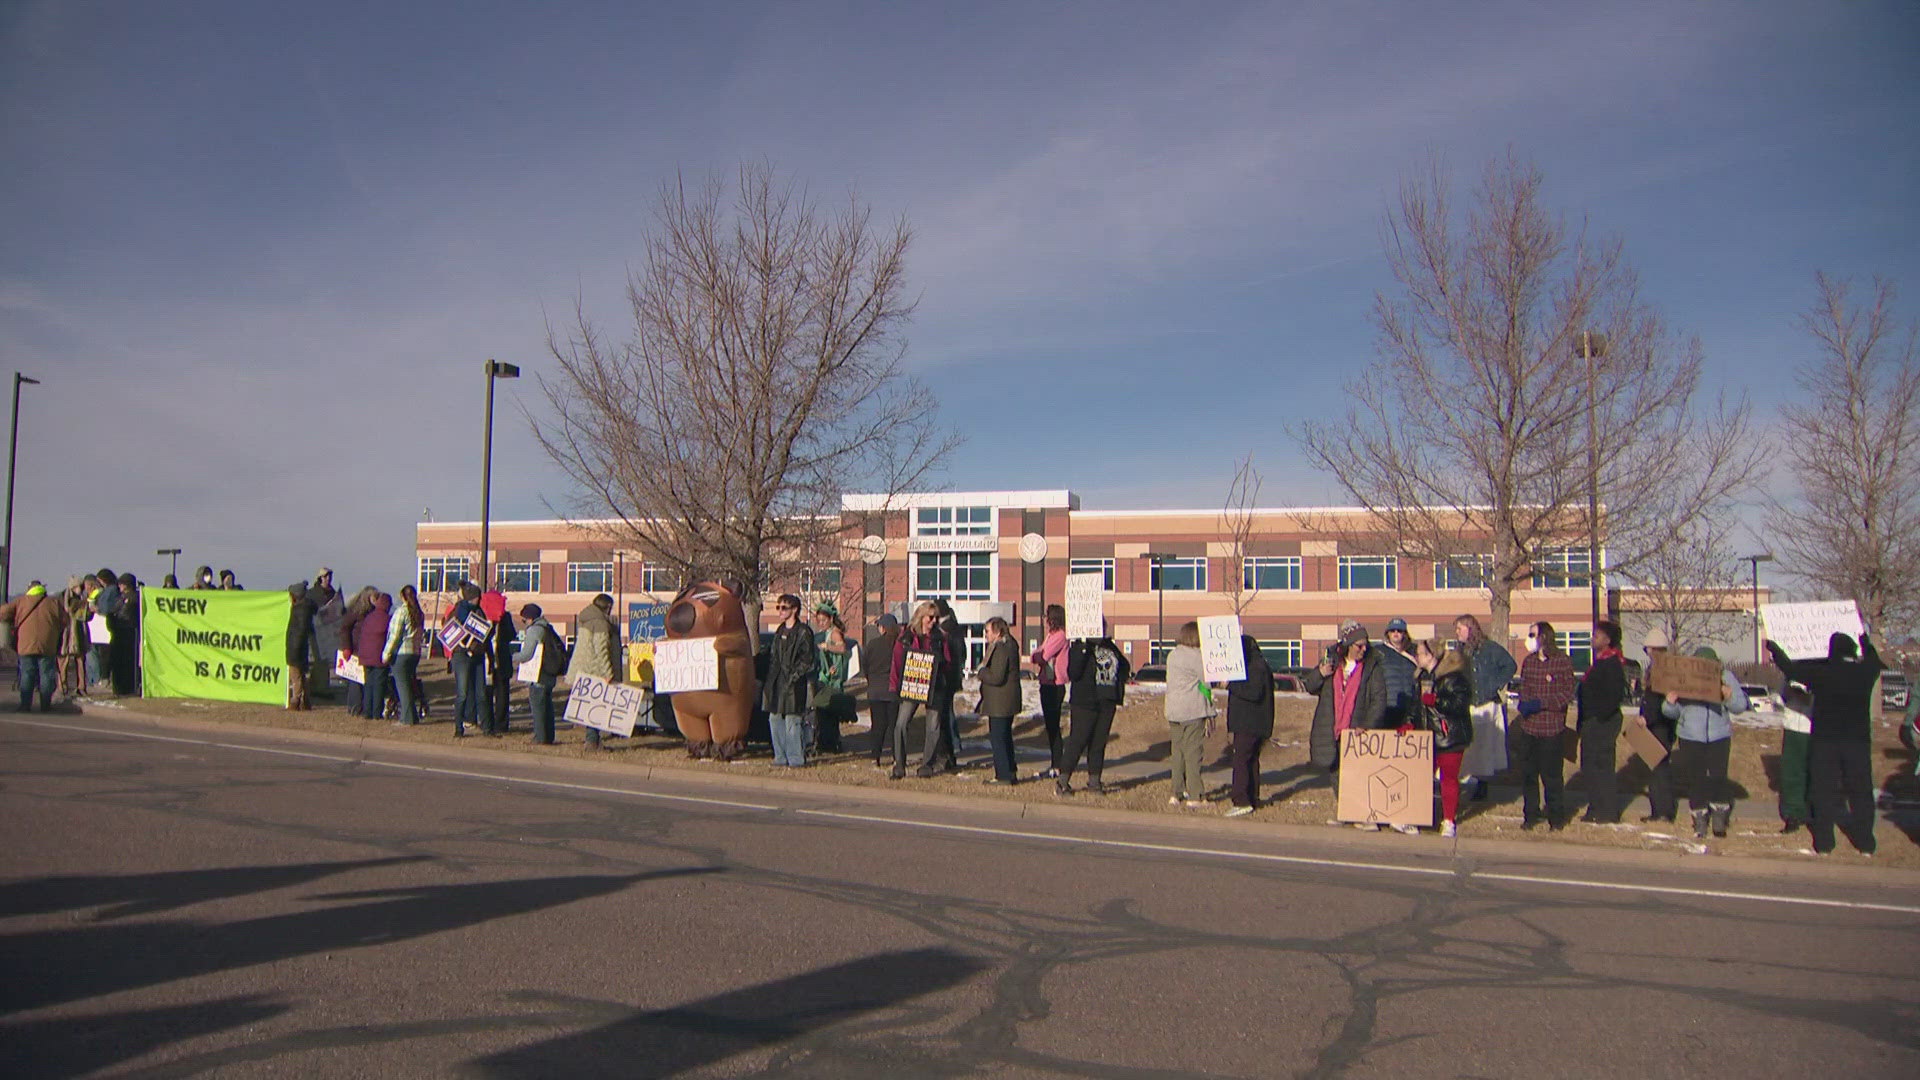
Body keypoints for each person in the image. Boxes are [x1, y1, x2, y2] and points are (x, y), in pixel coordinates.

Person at [1766, 631, 1885, 856]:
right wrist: (1866, 644)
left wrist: (1775, 650)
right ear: (1852, 651)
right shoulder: (1864, 672)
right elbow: (1875, 662)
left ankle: (1824, 843)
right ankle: (1866, 842)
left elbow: (1791, 670)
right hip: (1857, 742)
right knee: (1860, 791)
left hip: (1825, 741)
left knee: (1823, 791)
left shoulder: (1822, 672)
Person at [1302, 621, 1387, 826]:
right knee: (1335, 771)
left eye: (1366, 645)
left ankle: (1364, 816)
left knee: (1359, 774)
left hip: (1357, 729)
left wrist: (1367, 724)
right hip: (1333, 726)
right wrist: (1320, 674)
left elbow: (1379, 699)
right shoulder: (1332, 663)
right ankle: (1346, 811)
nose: (1363, 649)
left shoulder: (1371, 667)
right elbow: (1310, 686)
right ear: (1348, 645)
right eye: (1359, 645)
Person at [1661, 646, 1748, 839]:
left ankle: (1719, 817)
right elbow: (1671, 713)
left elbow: (1741, 706)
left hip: (1719, 735)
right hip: (1690, 736)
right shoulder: (1684, 678)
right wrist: (1670, 703)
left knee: (1718, 776)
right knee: (1696, 779)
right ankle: (1699, 818)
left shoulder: (1726, 677)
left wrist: (1728, 697)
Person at [1514, 622, 1577, 830]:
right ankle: (1530, 815)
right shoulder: (1529, 662)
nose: (1529, 638)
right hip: (1529, 728)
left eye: (1533, 634)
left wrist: (1543, 703)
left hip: (1552, 728)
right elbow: (1524, 688)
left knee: (1552, 777)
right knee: (1528, 774)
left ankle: (1556, 818)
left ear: (1544, 637)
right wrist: (1525, 704)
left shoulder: (1562, 662)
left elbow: (1567, 692)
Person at [1055, 625, 1130, 796]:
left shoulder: (1109, 645)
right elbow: (1073, 672)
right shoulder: (1079, 646)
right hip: (1085, 702)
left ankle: (1094, 781)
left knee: (1098, 743)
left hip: (1106, 702)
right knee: (1078, 741)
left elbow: (1124, 666)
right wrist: (1083, 646)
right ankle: (1062, 781)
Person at [1455, 614, 1515, 802]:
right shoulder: (1460, 652)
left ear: (1470, 628)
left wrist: (1494, 685)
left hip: (1487, 704)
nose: (1456, 632)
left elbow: (1510, 666)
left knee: (1484, 747)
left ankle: (1483, 785)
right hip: (1468, 704)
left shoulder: (1490, 649)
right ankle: (1466, 781)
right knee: (1468, 746)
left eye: (1460, 628)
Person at [1576, 619, 1629, 824]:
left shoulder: (1612, 664)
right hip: (1591, 721)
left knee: (1602, 766)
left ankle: (1607, 810)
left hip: (1603, 723)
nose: (1592, 638)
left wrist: (1598, 716)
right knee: (1589, 766)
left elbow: (1613, 696)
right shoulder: (1599, 662)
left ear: (1607, 640)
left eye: (1596, 635)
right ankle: (1595, 806)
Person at [886, 603, 947, 779]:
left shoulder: (940, 637)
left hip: (935, 687)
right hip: (911, 685)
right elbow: (896, 663)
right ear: (922, 617)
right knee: (901, 724)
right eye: (930, 617)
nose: (934, 621)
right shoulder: (905, 637)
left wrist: (942, 672)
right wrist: (895, 685)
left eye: (936, 618)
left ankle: (927, 765)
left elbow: (948, 661)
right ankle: (899, 764)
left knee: (933, 726)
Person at [761, 593, 817, 767]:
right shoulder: (779, 631)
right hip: (776, 683)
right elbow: (774, 657)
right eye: (778, 607)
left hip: (793, 684)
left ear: (794, 609)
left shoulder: (803, 632)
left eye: (783, 607)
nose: (780, 611)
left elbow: (807, 660)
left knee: (793, 721)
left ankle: (795, 758)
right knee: (774, 719)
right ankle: (780, 756)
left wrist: (793, 677)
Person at [1224, 635, 1274, 817]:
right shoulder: (1254, 665)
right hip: (1252, 722)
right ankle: (1252, 798)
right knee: (1250, 761)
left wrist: (1231, 685)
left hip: (1250, 722)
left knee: (1241, 760)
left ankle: (1241, 800)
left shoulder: (1256, 667)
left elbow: (1253, 692)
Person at [1163, 621, 1212, 807]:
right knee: (1193, 754)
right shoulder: (1197, 657)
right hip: (1192, 710)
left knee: (1178, 752)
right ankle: (1195, 795)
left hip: (1174, 710)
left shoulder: (1172, 655)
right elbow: (1205, 683)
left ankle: (1176, 792)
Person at [565, 592, 621, 749]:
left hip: (583, 668)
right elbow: (601, 649)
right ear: (608, 607)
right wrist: (608, 673)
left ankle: (592, 740)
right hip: (595, 670)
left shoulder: (586, 620)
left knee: (589, 706)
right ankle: (592, 742)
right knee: (594, 708)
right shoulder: (600, 623)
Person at [1, 581, 66, 712]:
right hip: (47, 644)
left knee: (27, 674)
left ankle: (25, 705)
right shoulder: (53, 603)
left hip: (25, 644)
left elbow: (2, 613)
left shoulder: (21, 601)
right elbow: (65, 620)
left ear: (29, 589)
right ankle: (45, 705)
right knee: (46, 674)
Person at [1638, 627, 1679, 823]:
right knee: (1656, 768)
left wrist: (1648, 718)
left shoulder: (1663, 671)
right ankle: (1660, 810)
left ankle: (1663, 811)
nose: (1647, 652)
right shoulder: (1656, 669)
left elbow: (1656, 701)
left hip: (1661, 726)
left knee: (1659, 769)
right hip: (1655, 725)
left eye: (1649, 649)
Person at [976, 616, 1022, 784]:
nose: (985, 635)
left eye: (987, 631)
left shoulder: (1002, 648)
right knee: (1005, 736)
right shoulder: (1010, 645)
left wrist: (981, 671)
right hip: (1005, 700)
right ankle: (1010, 771)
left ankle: (1003, 775)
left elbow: (996, 676)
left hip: (1000, 702)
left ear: (997, 631)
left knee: (998, 738)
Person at [515, 603, 567, 745]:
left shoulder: (534, 631)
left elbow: (527, 654)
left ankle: (540, 737)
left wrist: (511, 657)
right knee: (548, 707)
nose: (524, 623)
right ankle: (549, 736)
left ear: (530, 618)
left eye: (524, 620)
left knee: (538, 707)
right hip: (550, 673)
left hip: (539, 675)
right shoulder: (547, 627)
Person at [1029, 604, 1070, 779]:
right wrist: (1036, 654)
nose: (1045, 620)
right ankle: (1055, 762)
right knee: (1050, 726)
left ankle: (1058, 764)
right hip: (1046, 683)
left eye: (1047, 616)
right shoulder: (1051, 636)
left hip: (1055, 684)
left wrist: (1038, 654)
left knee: (1054, 726)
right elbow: (1034, 655)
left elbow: (1042, 656)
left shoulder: (1060, 636)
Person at [930, 598, 966, 770]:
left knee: (943, 716)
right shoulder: (954, 627)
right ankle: (951, 749)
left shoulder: (946, 630)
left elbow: (955, 653)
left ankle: (947, 752)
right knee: (946, 714)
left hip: (945, 677)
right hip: (951, 677)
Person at [447, 583, 488, 737]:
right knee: (462, 693)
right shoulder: (457, 612)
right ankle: (459, 728)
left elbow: (485, 633)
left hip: (477, 655)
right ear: (470, 597)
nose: (478, 600)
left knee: (481, 693)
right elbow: (448, 631)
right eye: (476, 597)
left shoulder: (479, 612)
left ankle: (486, 727)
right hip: (461, 655)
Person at [810, 600, 851, 753]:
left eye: (824, 620)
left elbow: (842, 648)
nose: (821, 623)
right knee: (824, 712)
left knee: (827, 711)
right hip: (825, 677)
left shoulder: (834, 632)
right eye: (818, 620)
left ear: (831, 619)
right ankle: (827, 742)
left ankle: (830, 743)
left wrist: (828, 647)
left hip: (831, 680)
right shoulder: (826, 633)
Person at [862, 614, 901, 768]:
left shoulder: (872, 644)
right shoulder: (898, 645)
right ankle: (896, 756)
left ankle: (875, 757)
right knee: (893, 725)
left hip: (875, 690)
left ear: (883, 628)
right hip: (893, 690)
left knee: (877, 725)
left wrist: (870, 679)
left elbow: (865, 665)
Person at [385, 584, 426, 725]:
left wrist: (386, 654)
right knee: (408, 683)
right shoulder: (419, 613)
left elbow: (395, 635)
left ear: (403, 596)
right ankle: (412, 716)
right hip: (415, 652)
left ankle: (406, 719)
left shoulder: (401, 611)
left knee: (402, 686)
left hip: (402, 653)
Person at [349, 591, 393, 721]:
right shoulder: (387, 619)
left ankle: (367, 711)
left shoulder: (369, 617)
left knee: (368, 684)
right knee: (379, 685)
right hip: (379, 657)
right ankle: (376, 712)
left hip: (365, 656)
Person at [1374, 617, 1419, 728]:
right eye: (1392, 630)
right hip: (1388, 706)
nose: (1396, 633)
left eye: (1399, 631)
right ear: (1387, 633)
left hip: (1410, 706)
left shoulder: (1415, 651)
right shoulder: (1378, 651)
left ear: (1405, 633)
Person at [486, 594, 518, 736]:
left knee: (488, 693)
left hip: (489, 659)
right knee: (502, 693)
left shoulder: (481, 616)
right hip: (501, 658)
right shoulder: (506, 617)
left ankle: (488, 723)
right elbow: (512, 634)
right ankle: (501, 724)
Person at [309, 569, 343, 700]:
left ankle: (321, 687)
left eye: (329, 576)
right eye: (325, 576)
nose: (328, 578)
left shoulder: (333, 593)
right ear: (320, 578)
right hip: (316, 631)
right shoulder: (312, 594)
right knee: (319, 660)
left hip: (329, 632)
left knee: (326, 661)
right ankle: (318, 687)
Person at [57, 577, 92, 700]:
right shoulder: (62, 599)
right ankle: (62, 686)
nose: (80, 589)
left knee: (80, 660)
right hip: (65, 633)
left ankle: (81, 687)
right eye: (78, 586)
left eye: (81, 586)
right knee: (64, 660)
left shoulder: (82, 599)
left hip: (79, 633)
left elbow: (86, 616)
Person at [106, 573, 140, 694]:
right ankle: (119, 687)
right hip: (120, 633)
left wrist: (114, 619)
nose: (119, 586)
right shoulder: (122, 598)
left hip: (127, 633)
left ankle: (125, 688)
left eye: (121, 583)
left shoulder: (132, 598)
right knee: (118, 662)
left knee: (125, 663)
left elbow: (125, 615)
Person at [286, 581, 316, 710]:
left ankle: (296, 700)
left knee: (296, 676)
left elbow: (298, 632)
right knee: (302, 676)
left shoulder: (299, 610)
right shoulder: (306, 609)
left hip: (295, 649)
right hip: (300, 648)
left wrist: (294, 650)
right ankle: (305, 701)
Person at [87, 569, 116, 691]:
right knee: (100, 655)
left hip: (105, 628)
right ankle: (100, 678)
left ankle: (104, 679)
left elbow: (107, 607)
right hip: (100, 629)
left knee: (105, 656)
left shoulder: (111, 591)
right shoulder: (106, 591)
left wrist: (97, 608)